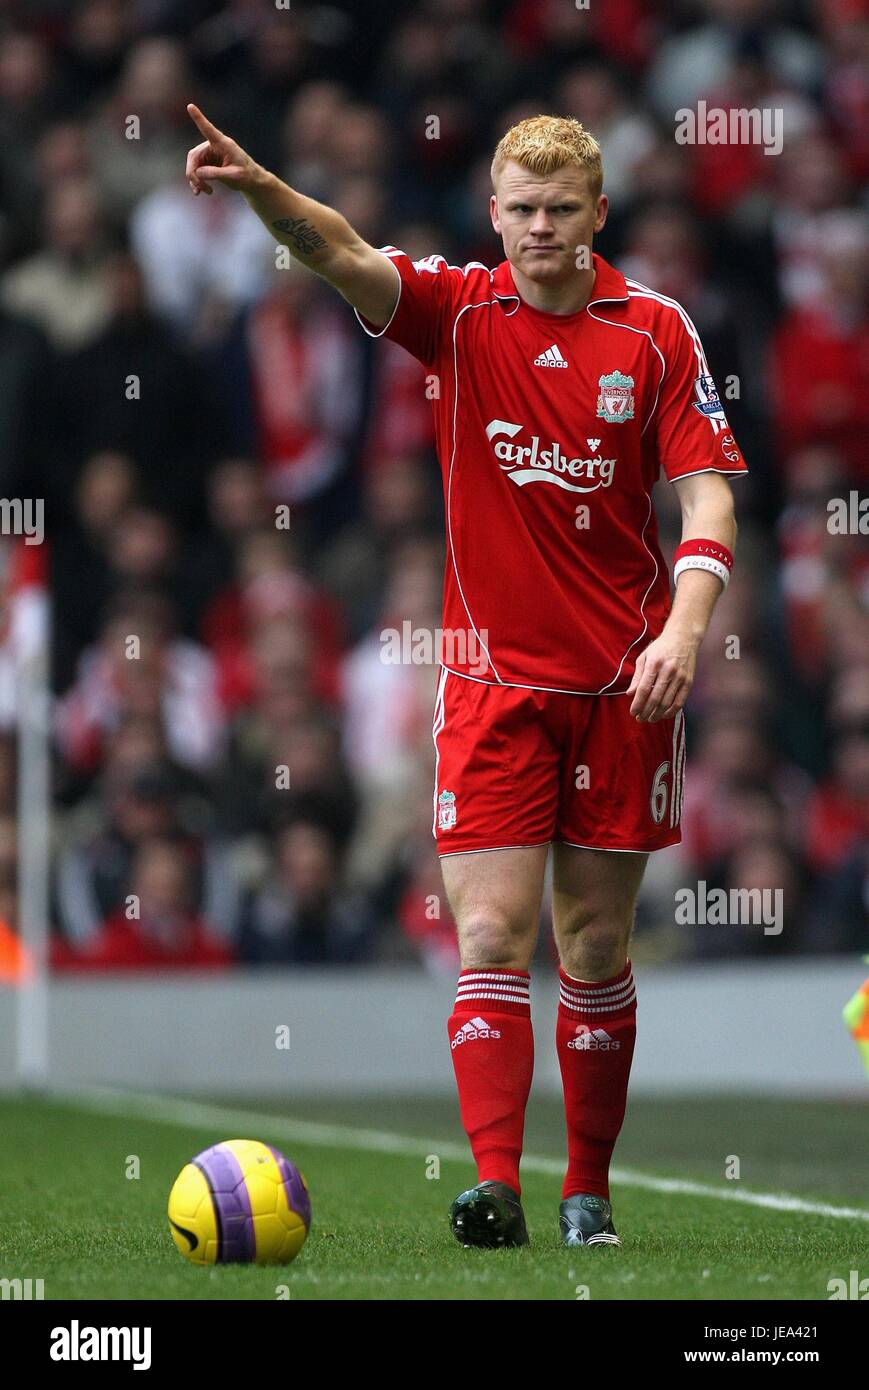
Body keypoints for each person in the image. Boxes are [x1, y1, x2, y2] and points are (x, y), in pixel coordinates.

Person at [184, 104, 746, 1249]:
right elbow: (342, 250)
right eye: (520, 212)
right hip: (489, 685)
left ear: (598, 213)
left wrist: (684, 632)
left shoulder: (653, 332)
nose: (539, 230)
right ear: (492, 215)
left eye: (560, 211)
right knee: (490, 938)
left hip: (620, 685)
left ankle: (585, 1191)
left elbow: (709, 498)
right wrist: (259, 190)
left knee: (591, 947)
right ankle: (497, 1183)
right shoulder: (456, 310)